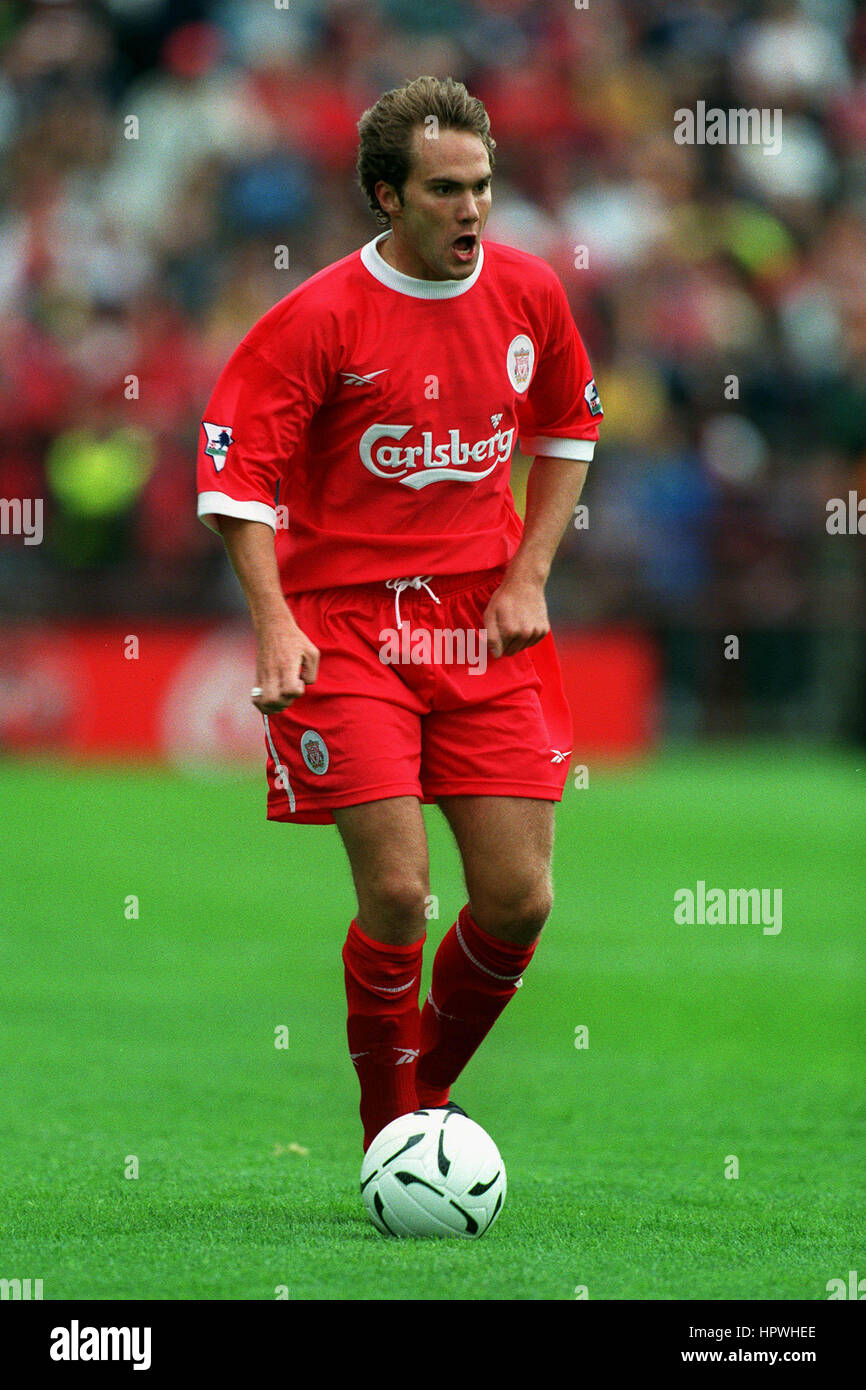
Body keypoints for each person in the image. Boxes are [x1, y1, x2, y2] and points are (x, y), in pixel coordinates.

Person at [196, 76, 603, 1153]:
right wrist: (277, 625)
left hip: (482, 620)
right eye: (443, 189)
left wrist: (528, 573)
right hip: (345, 623)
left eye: (482, 186)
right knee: (397, 890)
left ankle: (417, 1091)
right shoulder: (316, 318)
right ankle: (393, 1129)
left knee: (517, 899)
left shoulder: (528, 294)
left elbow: (568, 427)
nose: (471, 209)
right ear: (386, 195)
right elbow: (237, 483)